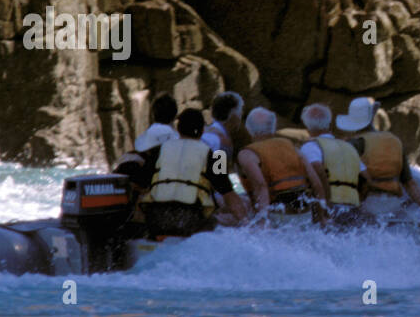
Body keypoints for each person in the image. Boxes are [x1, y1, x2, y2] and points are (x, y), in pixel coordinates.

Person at [131, 108, 247, 237]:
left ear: (178, 129)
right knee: (226, 222)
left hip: (157, 219)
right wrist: (247, 224)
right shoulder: (215, 156)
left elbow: (137, 185)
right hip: (191, 220)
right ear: (202, 131)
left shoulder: (159, 151)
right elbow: (230, 196)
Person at [335, 96, 420, 220]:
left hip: (367, 204)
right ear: (372, 118)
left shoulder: (353, 144)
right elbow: (409, 182)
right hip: (393, 203)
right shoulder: (394, 141)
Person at [236, 107, 325, 216]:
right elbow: (315, 182)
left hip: (275, 214)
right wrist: (322, 216)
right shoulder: (292, 147)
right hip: (303, 213)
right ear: (274, 127)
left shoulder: (246, 154)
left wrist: (262, 220)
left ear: (248, 128)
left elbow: (260, 185)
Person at [299, 103, 364, 225]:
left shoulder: (310, 147)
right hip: (353, 208)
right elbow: (366, 178)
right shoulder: (349, 148)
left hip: (329, 206)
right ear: (329, 123)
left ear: (307, 126)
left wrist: (324, 208)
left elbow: (318, 173)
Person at [201, 91, 243, 159]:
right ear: (234, 116)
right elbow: (220, 169)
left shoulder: (203, 131)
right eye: (240, 112)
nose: (240, 117)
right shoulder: (224, 143)